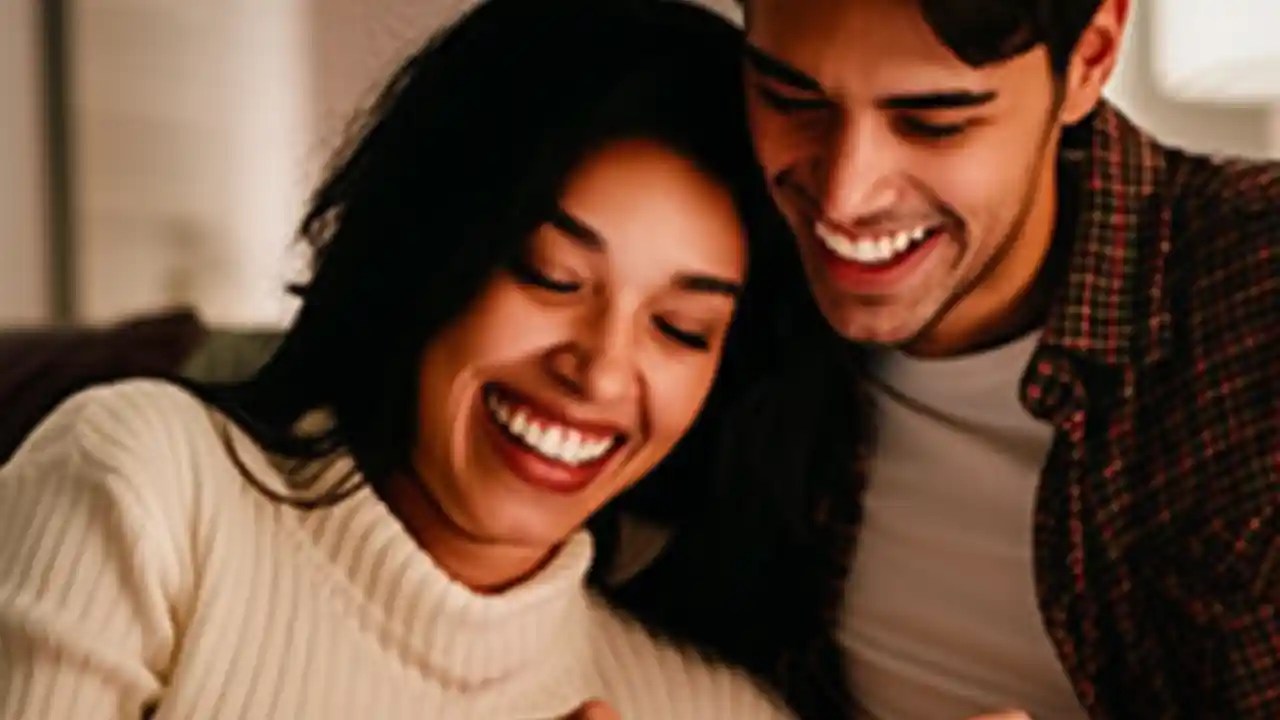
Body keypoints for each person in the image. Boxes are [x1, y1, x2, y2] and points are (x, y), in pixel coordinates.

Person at [0, 1, 802, 717]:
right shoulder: (144, 488)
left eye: (681, 328)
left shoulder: (707, 708)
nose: (598, 371)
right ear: (426, 248)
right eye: (550, 277)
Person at [631, 0, 1277, 717]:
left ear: (1089, 60)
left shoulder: (1253, 301)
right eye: (792, 99)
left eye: (934, 122)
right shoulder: (705, 267)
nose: (845, 196)